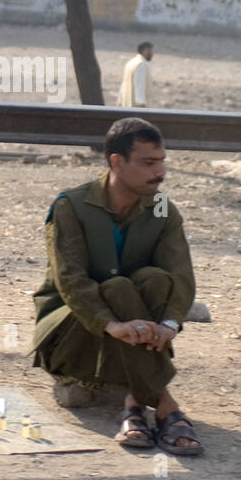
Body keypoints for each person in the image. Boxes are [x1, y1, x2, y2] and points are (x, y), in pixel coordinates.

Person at [31, 117, 203, 455]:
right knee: (118, 287)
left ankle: (134, 404)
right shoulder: (71, 207)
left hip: (134, 335)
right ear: (116, 162)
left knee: (154, 279)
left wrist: (169, 324)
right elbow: (71, 281)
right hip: (74, 336)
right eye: (148, 162)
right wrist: (113, 325)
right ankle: (165, 406)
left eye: (162, 161)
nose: (160, 171)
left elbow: (181, 277)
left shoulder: (163, 210)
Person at [117, 41, 154, 107]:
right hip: (136, 107)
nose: (152, 54)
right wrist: (141, 103)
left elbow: (124, 84)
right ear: (144, 51)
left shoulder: (131, 63)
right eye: (150, 51)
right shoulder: (141, 64)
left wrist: (120, 100)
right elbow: (139, 84)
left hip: (127, 104)